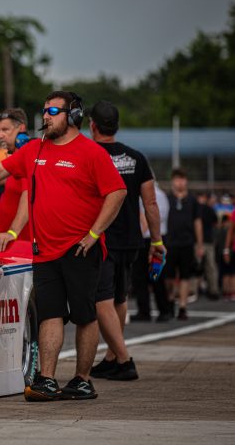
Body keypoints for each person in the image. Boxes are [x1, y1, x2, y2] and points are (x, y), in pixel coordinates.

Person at [0, 91, 126, 402]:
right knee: (50, 313)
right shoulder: (35, 149)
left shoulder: (91, 153)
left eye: (54, 111)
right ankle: (46, 379)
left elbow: (117, 193)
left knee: (84, 316)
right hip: (44, 250)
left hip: (80, 249)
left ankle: (82, 379)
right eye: (44, 111)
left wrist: (94, 234)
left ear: (73, 116)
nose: (46, 117)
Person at [87, 101, 164, 381]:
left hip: (102, 236)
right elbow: (151, 204)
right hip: (132, 239)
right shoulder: (137, 158)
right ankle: (111, 358)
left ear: (92, 125)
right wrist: (156, 241)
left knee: (100, 301)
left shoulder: (90, 155)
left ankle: (124, 359)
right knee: (119, 298)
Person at [164, 168, 204, 320]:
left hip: (187, 243)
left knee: (185, 276)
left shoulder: (192, 200)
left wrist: (199, 244)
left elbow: (197, 222)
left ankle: (182, 306)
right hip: (169, 243)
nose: (179, 182)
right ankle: (169, 301)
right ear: (172, 181)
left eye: (182, 179)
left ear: (186, 181)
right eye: (177, 179)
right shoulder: (167, 199)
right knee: (168, 277)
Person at [0, 108, 32, 252]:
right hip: (9, 245)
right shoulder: (15, 157)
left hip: (22, 247)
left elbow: (29, 195)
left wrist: (12, 232)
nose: (0, 135)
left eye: (5, 129)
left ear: (21, 128)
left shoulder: (27, 156)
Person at [132, 182, 173, 321]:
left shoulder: (148, 195)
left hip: (150, 239)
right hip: (157, 238)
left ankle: (152, 311)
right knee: (154, 276)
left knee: (148, 277)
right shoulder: (160, 194)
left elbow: (150, 217)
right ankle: (160, 310)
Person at [196, 192, 220, 299]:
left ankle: (193, 290)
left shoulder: (195, 208)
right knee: (210, 267)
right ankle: (213, 290)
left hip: (197, 242)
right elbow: (216, 223)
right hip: (208, 242)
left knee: (195, 267)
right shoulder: (209, 209)